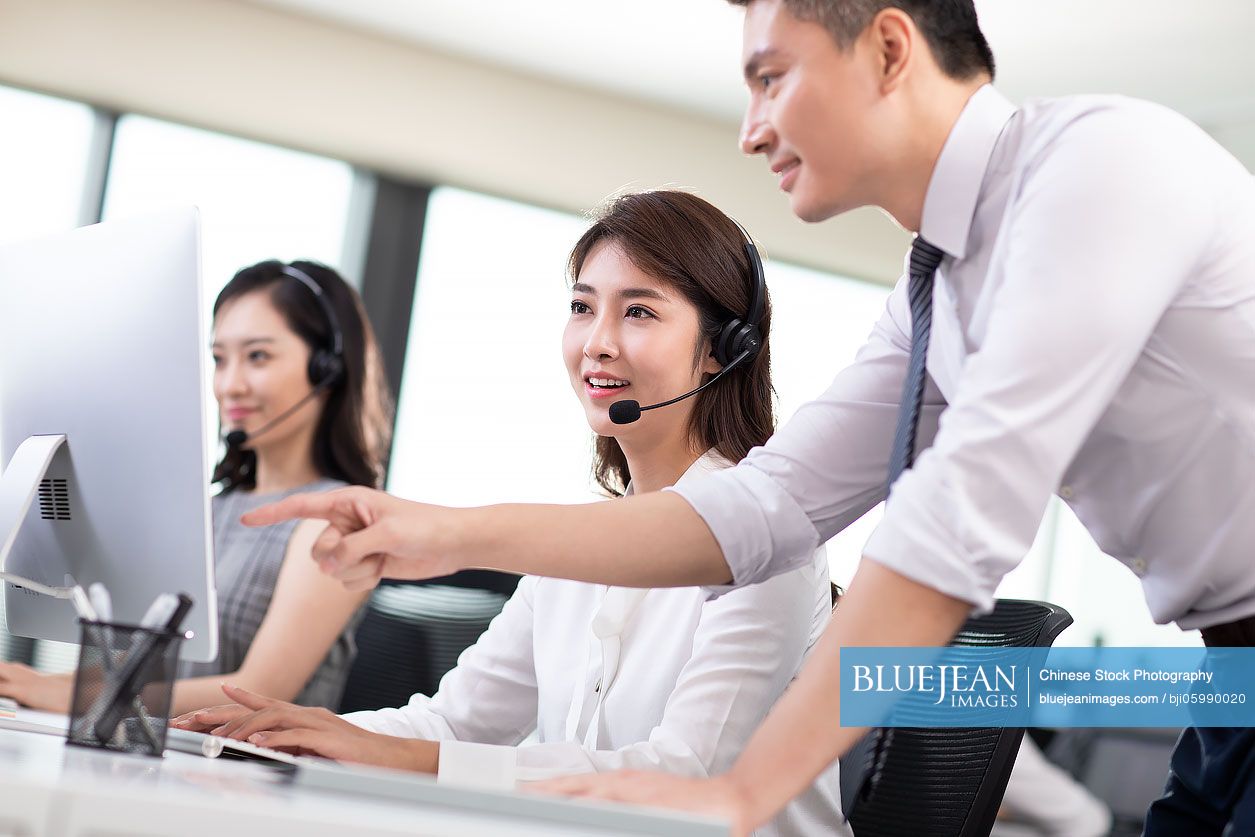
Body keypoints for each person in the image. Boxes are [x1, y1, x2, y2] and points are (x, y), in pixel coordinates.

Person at [241, 2, 1255, 835]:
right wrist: (446, 532)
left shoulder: (1099, 165)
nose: (751, 127)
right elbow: (760, 512)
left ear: (888, 48)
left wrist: (740, 789)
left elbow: (961, 508)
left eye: (772, 77)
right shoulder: (941, 290)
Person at [174, 191, 847, 837]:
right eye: (582, 307)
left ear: (720, 349)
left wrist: (400, 757)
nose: (597, 342)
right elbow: (454, 722)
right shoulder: (579, 542)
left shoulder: (773, 545)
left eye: (638, 312)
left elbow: (681, 774)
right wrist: (297, 732)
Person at [0, 259, 393, 715]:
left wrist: (63, 695)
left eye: (258, 356)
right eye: (219, 359)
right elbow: (139, 669)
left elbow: (261, 691)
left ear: (327, 368)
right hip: (160, 764)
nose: (230, 385)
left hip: (254, 776)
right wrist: (33, 685)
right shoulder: (206, 512)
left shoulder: (333, 521)